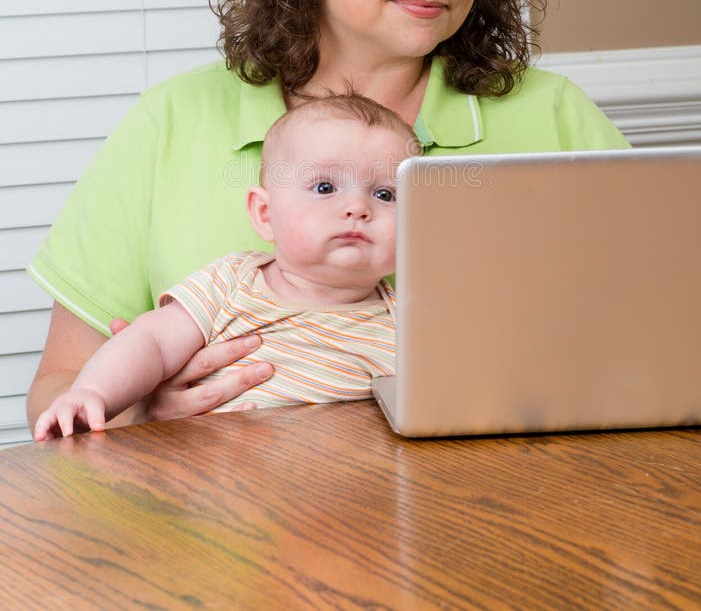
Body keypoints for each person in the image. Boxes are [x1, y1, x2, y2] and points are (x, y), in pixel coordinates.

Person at [26, 0, 629, 432]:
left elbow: (655, 339)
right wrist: (144, 413)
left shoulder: (555, 117)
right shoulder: (172, 120)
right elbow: (56, 390)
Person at [34, 94, 419, 439]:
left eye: (385, 194)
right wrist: (93, 393)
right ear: (265, 214)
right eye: (325, 188)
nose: (357, 208)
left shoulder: (406, 324)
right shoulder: (231, 283)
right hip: (218, 480)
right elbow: (150, 342)